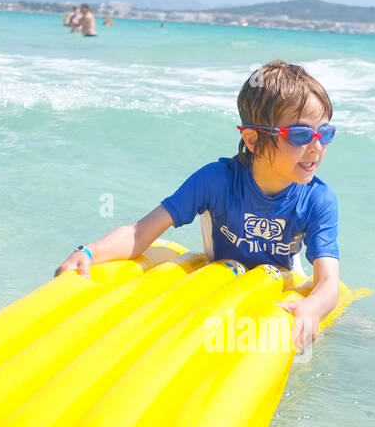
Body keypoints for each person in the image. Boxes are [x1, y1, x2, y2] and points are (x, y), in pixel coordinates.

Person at [54, 60, 341, 350]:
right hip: (220, 278)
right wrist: (88, 252)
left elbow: (328, 282)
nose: (316, 147)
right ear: (253, 140)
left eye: (325, 133)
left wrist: (314, 307)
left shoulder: (318, 199)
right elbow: (141, 232)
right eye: (301, 135)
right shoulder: (215, 181)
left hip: (280, 284)